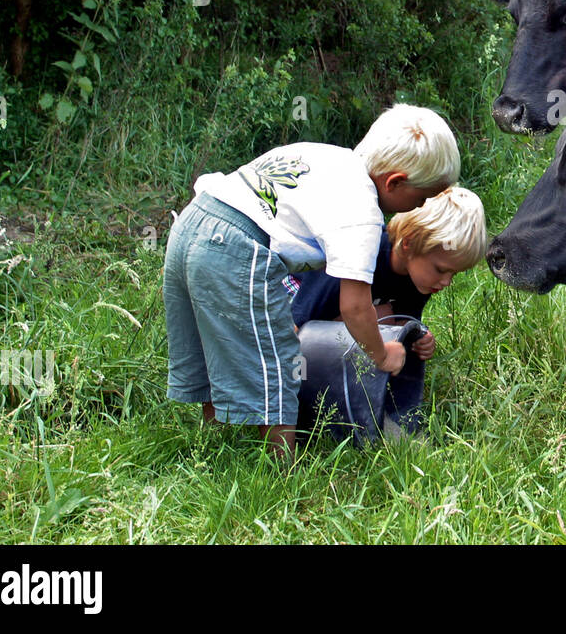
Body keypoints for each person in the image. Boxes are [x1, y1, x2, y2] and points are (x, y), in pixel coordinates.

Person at [162, 103, 460, 458]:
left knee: (209, 343)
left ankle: (212, 443)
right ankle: (281, 469)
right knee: (280, 360)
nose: (417, 208)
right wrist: (382, 354)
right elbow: (354, 307)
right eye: (421, 198)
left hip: (192, 222)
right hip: (238, 247)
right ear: (394, 183)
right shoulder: (363, 211)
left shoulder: (324, 155)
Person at [291, 187, 487, 441]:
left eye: (455, 274)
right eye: (441, 270)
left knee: (383, 314)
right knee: (373, 312)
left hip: (337, 323)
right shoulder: (360, 254)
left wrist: (420, 339)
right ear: (408, 244)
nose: (447, 282)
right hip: (292, 293)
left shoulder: (419, 278)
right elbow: (297, 326)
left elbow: (402, 325)